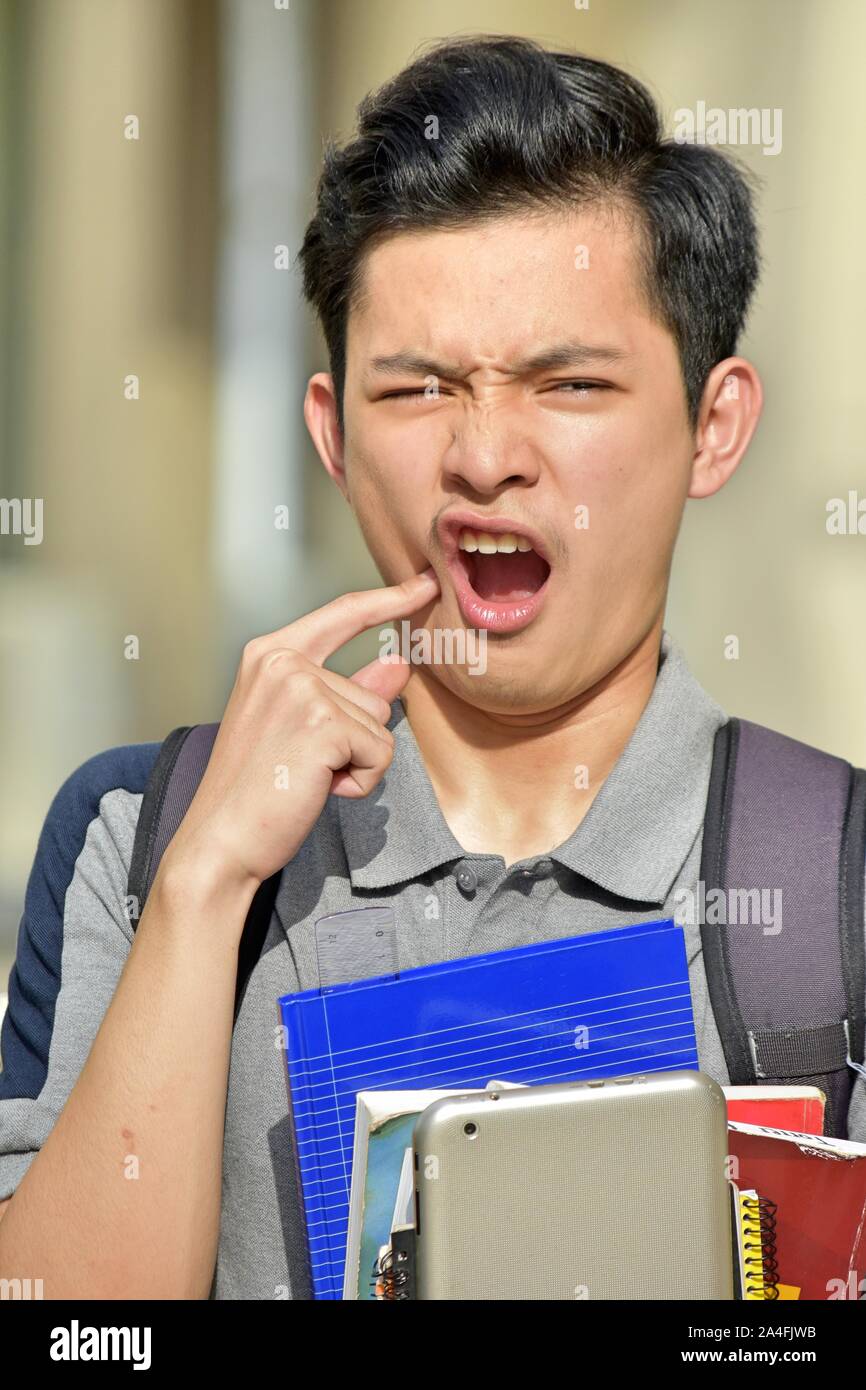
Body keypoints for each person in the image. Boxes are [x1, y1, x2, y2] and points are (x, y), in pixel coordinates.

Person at [0, 34, 860, 1300]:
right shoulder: (135, 842)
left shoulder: (834, 882)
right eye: (415, 390)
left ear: (711, 425)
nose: (484, 455)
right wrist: (205, 888)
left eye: (566, 382)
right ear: (332, 433)